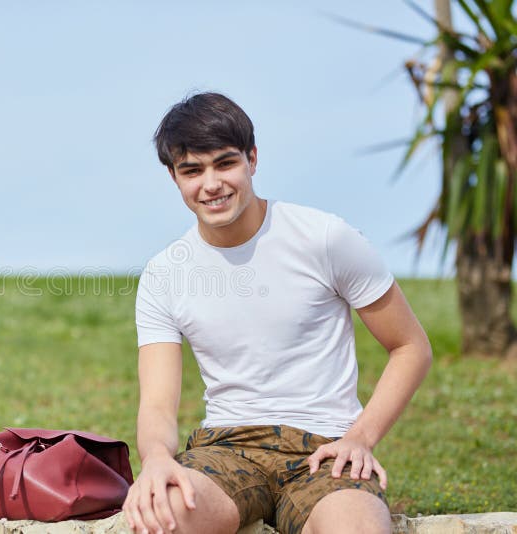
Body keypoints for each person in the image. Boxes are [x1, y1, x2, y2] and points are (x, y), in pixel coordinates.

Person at [121, 92, 432, 534]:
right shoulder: (164, 273)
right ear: (173, 176)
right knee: (160, 516)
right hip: (225, 449)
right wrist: (154, 459)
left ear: (252, 158)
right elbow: (156, 403)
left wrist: (361, 438)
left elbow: (410, 347)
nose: (211, 184)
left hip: (326, 451)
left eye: (225, 164)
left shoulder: (323, 238)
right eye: (193, 170)